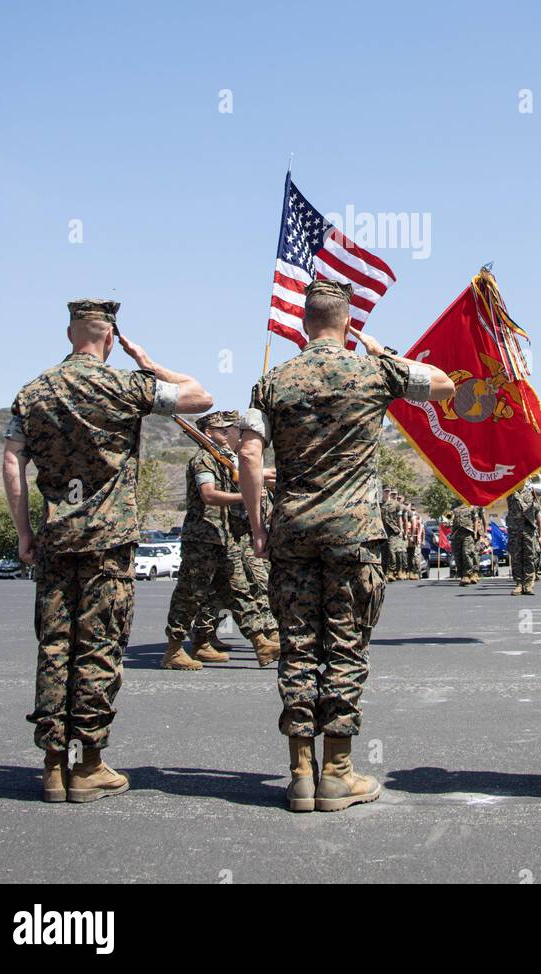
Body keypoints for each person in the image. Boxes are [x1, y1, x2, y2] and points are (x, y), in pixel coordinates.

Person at [238, 279, 454, 813]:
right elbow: (446, 386)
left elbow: (247, 454)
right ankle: (337, 771)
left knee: (297, 647)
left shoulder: (272, 380)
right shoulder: (374, 371)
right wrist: (385, 353)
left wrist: (257, 527)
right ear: (347, 320)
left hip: (291, 531)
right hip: (354, 535)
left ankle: (300, 775)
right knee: (344, 647)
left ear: (305, 324)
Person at [2, 299, 212, 803]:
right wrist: (149, 364)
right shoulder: (123, 386)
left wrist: (24, 532)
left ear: (68, 333)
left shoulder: (32, 393)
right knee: (98, 646)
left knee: (56, 646)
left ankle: (54, 766)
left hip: (55, 540)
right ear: (111, 338)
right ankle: (87, 763)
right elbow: (201, 397)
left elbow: (12, 462)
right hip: (107, 542)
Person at [163, 412, 279, 670]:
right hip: (202, 538)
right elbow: (209, 495)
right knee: (190, 594)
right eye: (224, 430)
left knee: (239, 591)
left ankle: (260, 642)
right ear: (210, 431)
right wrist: (248, 497)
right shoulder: (204, 459)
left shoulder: (225, 460)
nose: (231, 434)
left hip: (224, 537)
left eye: (232, 430)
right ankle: (173, 649)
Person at [506, 482, 541, 596]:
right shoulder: (510, 493)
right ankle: (518, 584)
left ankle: (528, 584)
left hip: (529, 530)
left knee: (529, 557)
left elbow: (538, 512)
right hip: (514, 530)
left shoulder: (531, 492)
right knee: (516, 558)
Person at [451, 504, 482, 585]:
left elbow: (475, 520)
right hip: (456, 534)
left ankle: (467, 575)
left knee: (467, 554)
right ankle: (462, 575)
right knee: (458, 556)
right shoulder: (454, 508)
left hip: (468, 534)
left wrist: (475, 533)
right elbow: (447, 518)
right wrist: (445, 522)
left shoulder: (472, 508)